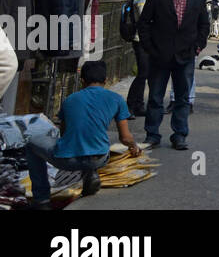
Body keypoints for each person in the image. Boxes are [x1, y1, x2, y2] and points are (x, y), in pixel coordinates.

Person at [24, 61, 139, 209]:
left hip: (68, 161)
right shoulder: (116, 99)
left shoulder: (69, 100)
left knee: (31, 144)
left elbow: (65, 134)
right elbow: (125, 138)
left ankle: (42, 200)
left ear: (82, 81)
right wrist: (134, 146)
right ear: (105, 80)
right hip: (100, 159)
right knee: (97, 137)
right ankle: (91, 175)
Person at [135, 0, 209, 151]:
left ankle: (180, 135)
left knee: (183, 98)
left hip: (185, 55)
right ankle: (152, 135)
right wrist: (150, 48)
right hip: (160, 55)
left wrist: (198, 47)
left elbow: (204, 25)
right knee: (156, 97)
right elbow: (144, 24)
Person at [126, 0, 165, 117]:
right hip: (140, 40)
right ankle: (130, 106)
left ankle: (138, 105)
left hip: (145, 40)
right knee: (142, 74)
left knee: (145, 73)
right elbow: (146, 18)